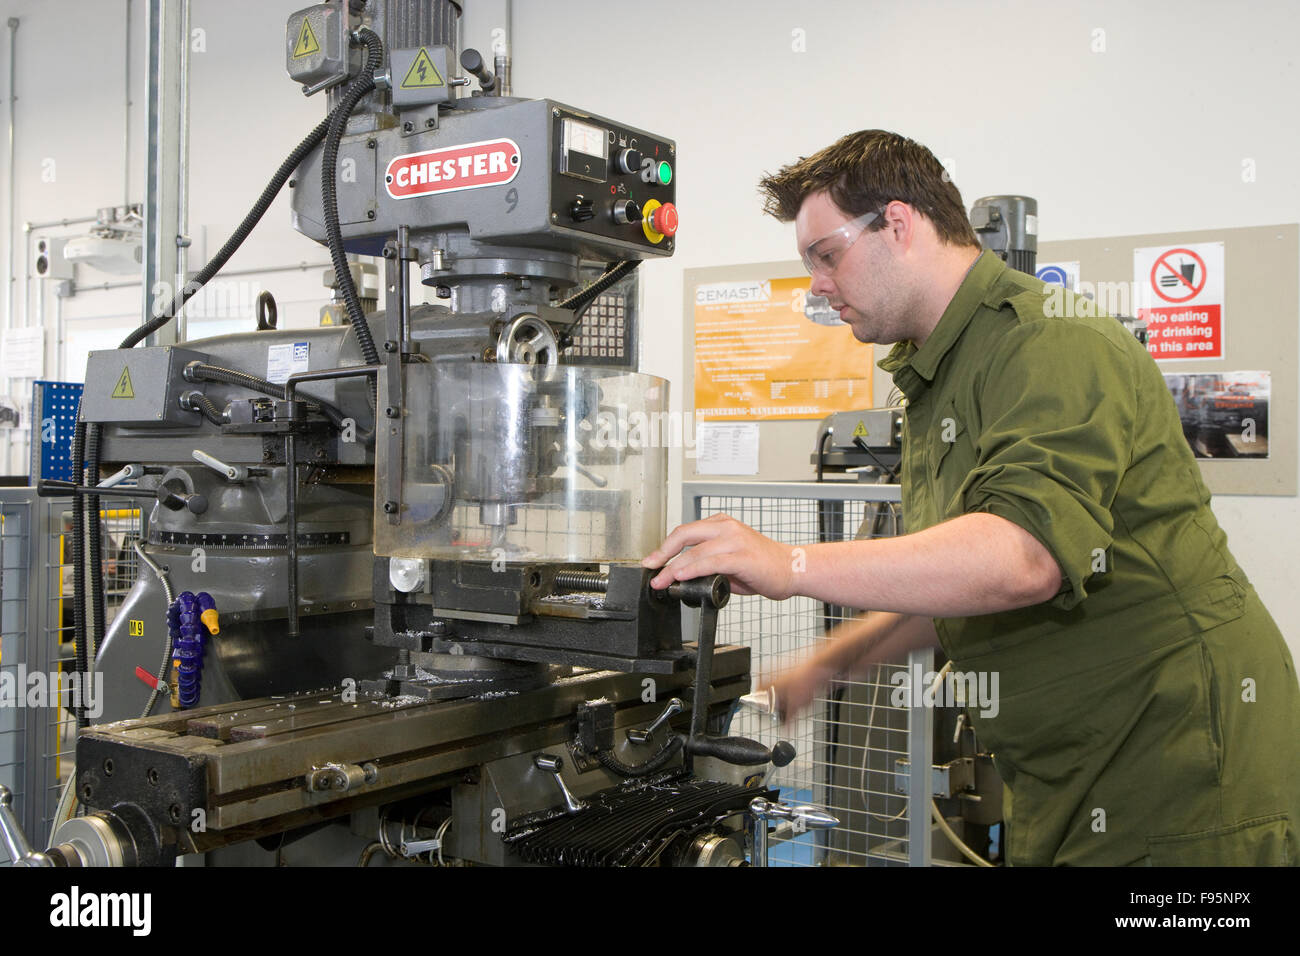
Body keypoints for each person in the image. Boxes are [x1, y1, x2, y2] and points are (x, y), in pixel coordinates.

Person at [643, 130, 1300, 866]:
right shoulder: (941, 371)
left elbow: (1021, 558)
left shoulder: (1048, 342)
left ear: (898, 224)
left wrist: (789, 563)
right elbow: (955, 580)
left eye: (826, 256)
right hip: (1073, 763)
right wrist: (827, 665)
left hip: (1177, 756)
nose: (817, 287)